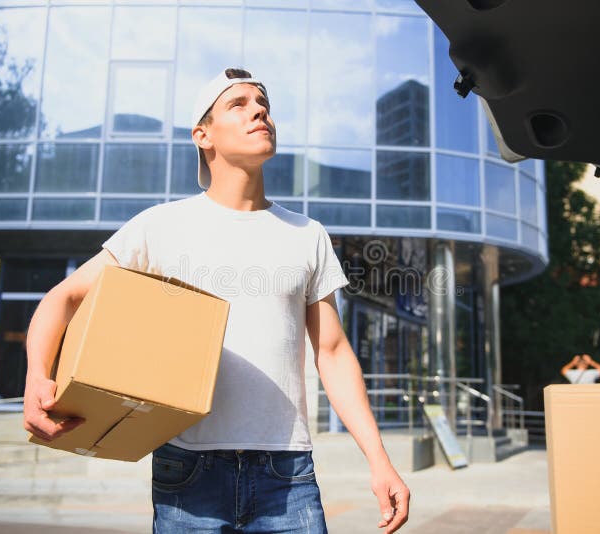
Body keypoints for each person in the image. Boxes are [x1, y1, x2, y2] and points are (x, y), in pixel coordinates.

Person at [23, 68, 410, 534]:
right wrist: (37, 375)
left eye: (262, 101)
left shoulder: (308, 235)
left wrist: (379, 460)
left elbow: (332, 352)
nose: (259, 109)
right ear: (203, 135)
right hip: (188, 472)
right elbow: (63, 298)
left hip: (287, 475)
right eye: (239, 103)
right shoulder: (162, 225)